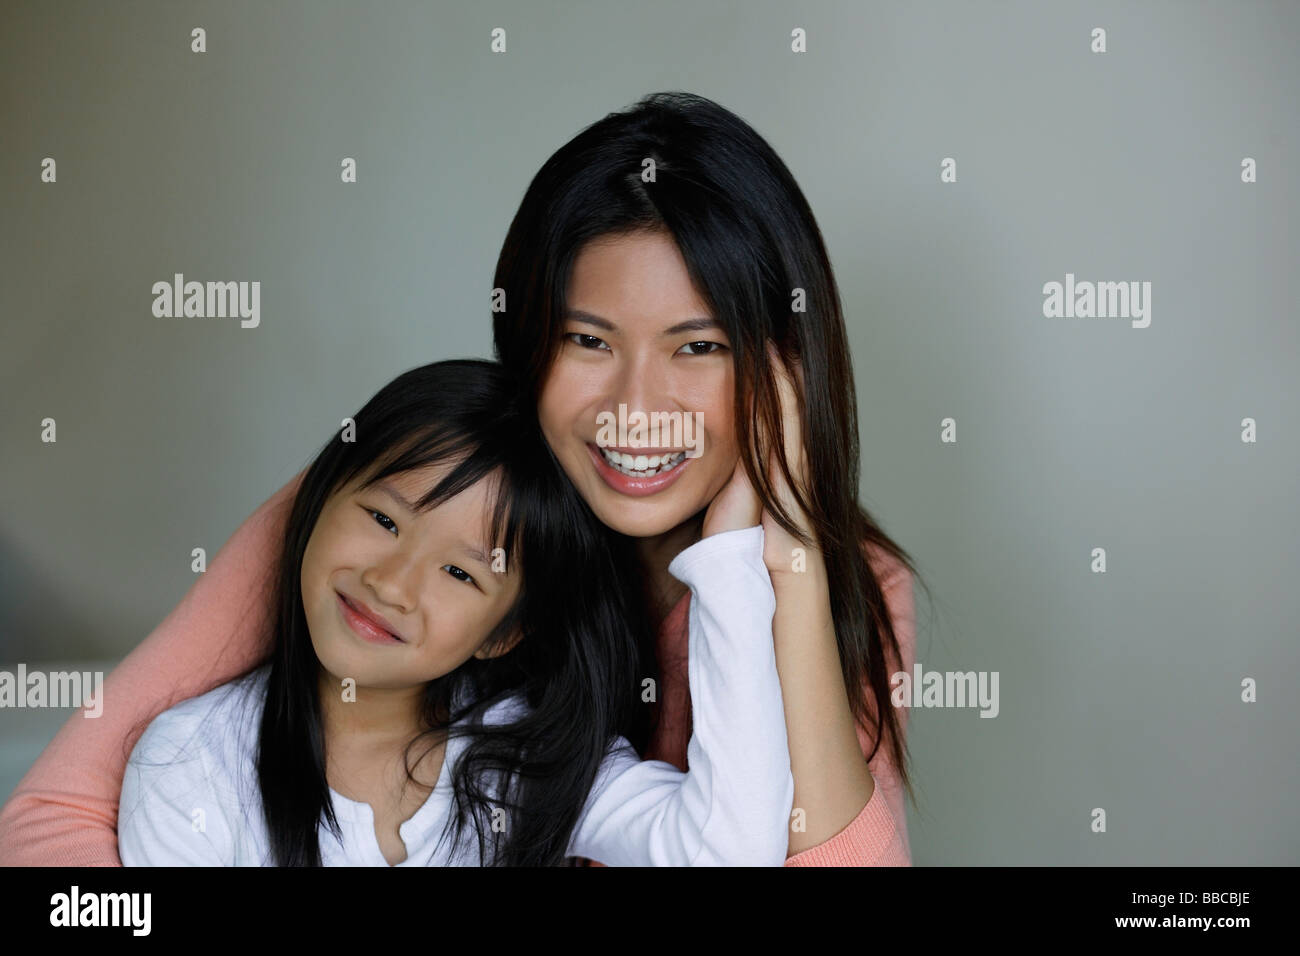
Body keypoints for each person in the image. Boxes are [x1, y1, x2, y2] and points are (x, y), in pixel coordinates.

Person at [0, 92, 924, 866]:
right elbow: (51, 824)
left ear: (782, 371)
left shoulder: (844, 583)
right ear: (529, 342)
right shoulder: (387, 513)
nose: (636, 406)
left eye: (700, 348)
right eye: (589, 341)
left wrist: (781, 555)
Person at [117, 359, 792, 866]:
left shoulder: (526, 760)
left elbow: (729, 848)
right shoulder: (191, 766)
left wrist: (729, 553)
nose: (392, 584)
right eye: (384, 518)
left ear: (503, 633)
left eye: (459, 572)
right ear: (319, 499)